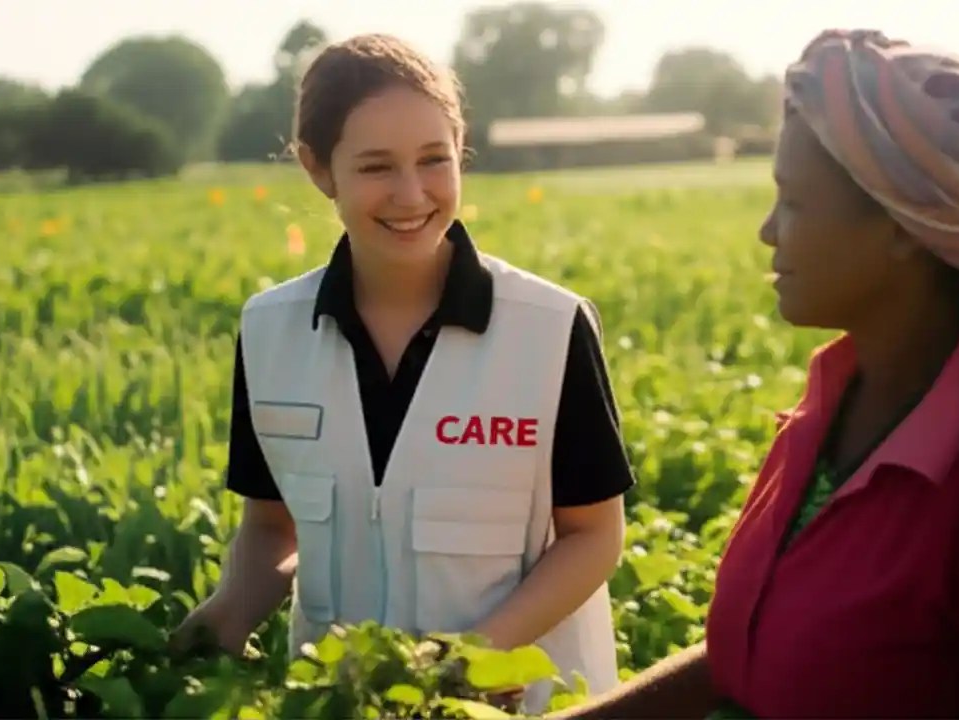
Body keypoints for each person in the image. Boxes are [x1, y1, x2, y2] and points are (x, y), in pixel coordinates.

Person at [550, 29, 959, 719]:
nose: (768, 232)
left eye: (794, 202)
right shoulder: (835, 407)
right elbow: (758, 657)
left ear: (906, 225)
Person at [170, 33, 632, 712]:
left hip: (522, 704)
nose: (412, 194)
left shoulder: (548, 327)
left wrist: (469, 659)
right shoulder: (271, 331)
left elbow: (594, 537)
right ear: (318, 169)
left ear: (461, 151)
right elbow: (273, 526)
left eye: (433, 160)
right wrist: (227, 615)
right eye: (376, 166)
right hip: (341, 702)